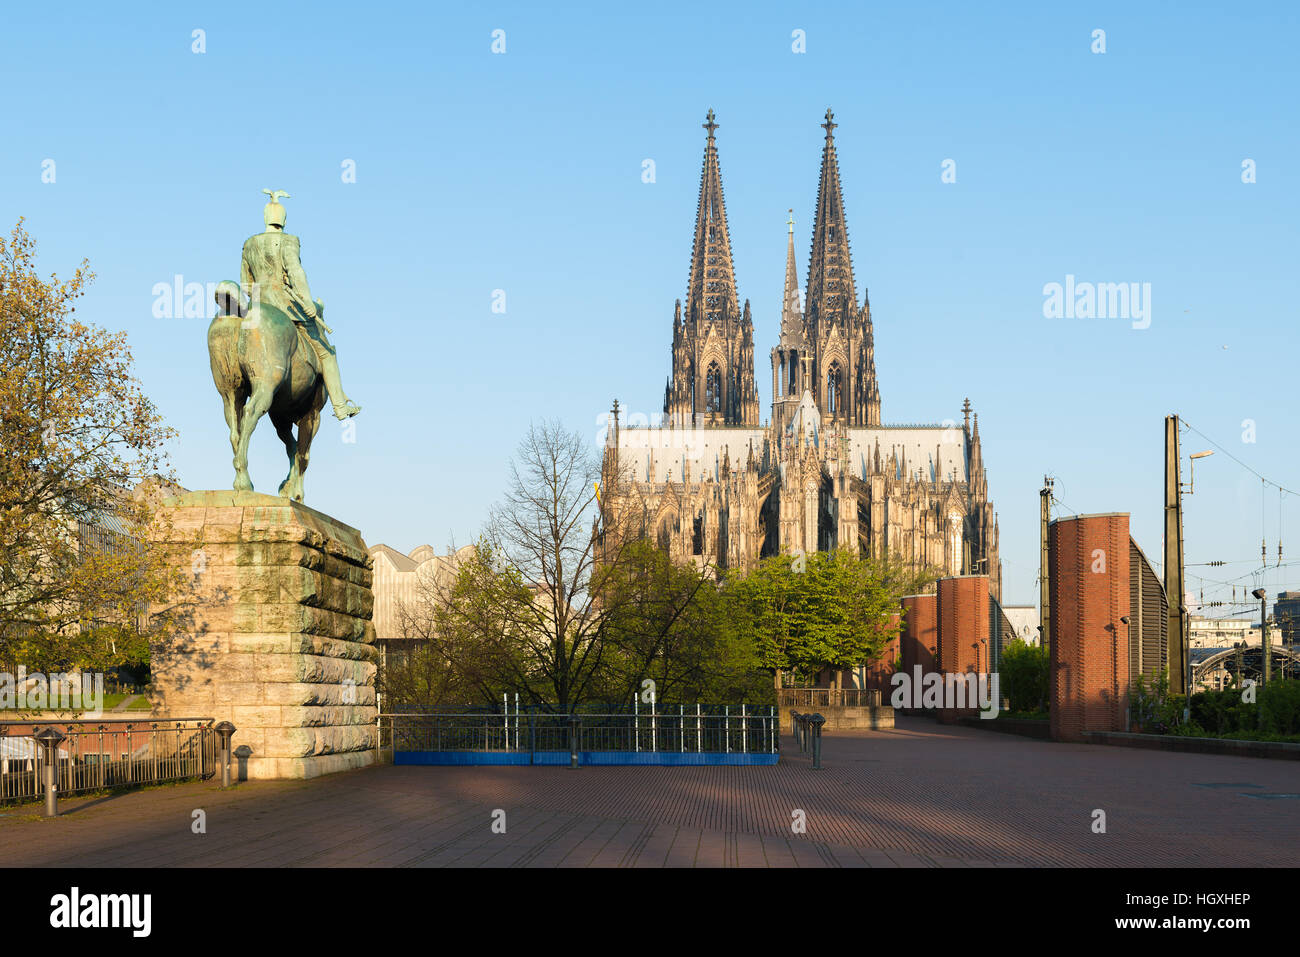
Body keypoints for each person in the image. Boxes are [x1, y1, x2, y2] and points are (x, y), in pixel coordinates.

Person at [240, 189, 361, 419]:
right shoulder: (289, 241)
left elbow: (246, 285)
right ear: (283, 220)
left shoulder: (249, 244)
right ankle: (340, 407)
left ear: (266, 218)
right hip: (288, 307)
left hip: (257, 309)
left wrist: (258, 303)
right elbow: (296, 272)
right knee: (327, 353)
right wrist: (307, 301)